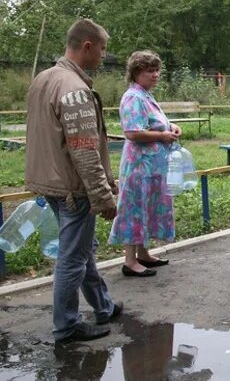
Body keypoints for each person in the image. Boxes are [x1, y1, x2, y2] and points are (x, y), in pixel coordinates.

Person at [25, 19, 122, 343]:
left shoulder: (43, 79)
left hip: (49, 182)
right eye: (103, 49)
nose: (103, 57)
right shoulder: (75, 90)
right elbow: (84, 152)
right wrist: (103, 196)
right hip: (73, 189)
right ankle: (66, 325)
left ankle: (103, 305)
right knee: (73, 258)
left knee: (80, 251)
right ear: (87, 47)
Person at [108, 51, 180, 277]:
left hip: (152, 167)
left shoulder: (145, 95)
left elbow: (153, 123)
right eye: (150, 70)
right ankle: (130, 261)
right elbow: (132, 132)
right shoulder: (133, 97)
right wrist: (161, 136)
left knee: (147, 207)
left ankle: (143, 253)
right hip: (139, 167)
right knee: (135, 209)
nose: (156, 74)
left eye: (157, 70)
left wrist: (172, 127)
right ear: (137, 72)